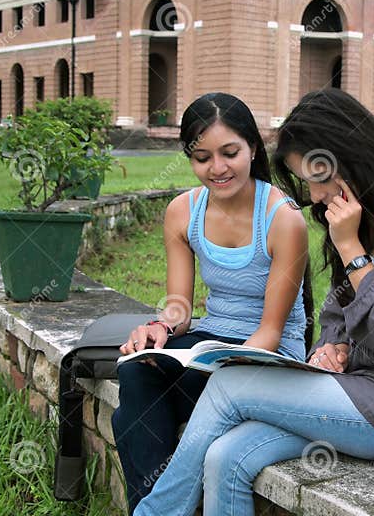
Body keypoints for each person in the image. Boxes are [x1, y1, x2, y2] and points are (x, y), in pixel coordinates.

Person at [132, 88, 374, 516]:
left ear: (351, 154)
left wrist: (352, 249)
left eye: (319, 178)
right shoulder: (362, 209)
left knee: (229, 385)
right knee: (225, 456)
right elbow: (337, 308)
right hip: (359, 388)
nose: (315, 196)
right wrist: (329, 345)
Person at [111, 92, 313, 513]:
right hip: (211, 342)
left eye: (229, 153)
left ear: (253, 149)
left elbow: (270, 333)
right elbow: (180, 307)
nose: (217, 168)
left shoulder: (283, 218)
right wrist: (159, 330)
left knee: (187, 391)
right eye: (202, 157)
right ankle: (147, 504)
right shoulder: (182, 212)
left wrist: (224, 363)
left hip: (268, 355)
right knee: (138, 372)